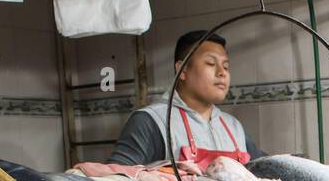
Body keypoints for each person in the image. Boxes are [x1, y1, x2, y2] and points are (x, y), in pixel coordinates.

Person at [109, 29, 262, 167]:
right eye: (210, 63)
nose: (222, 72)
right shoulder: (152, 121)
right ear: (182, 69)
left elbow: (264, 169)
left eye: (226, 66)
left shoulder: (234, 127)